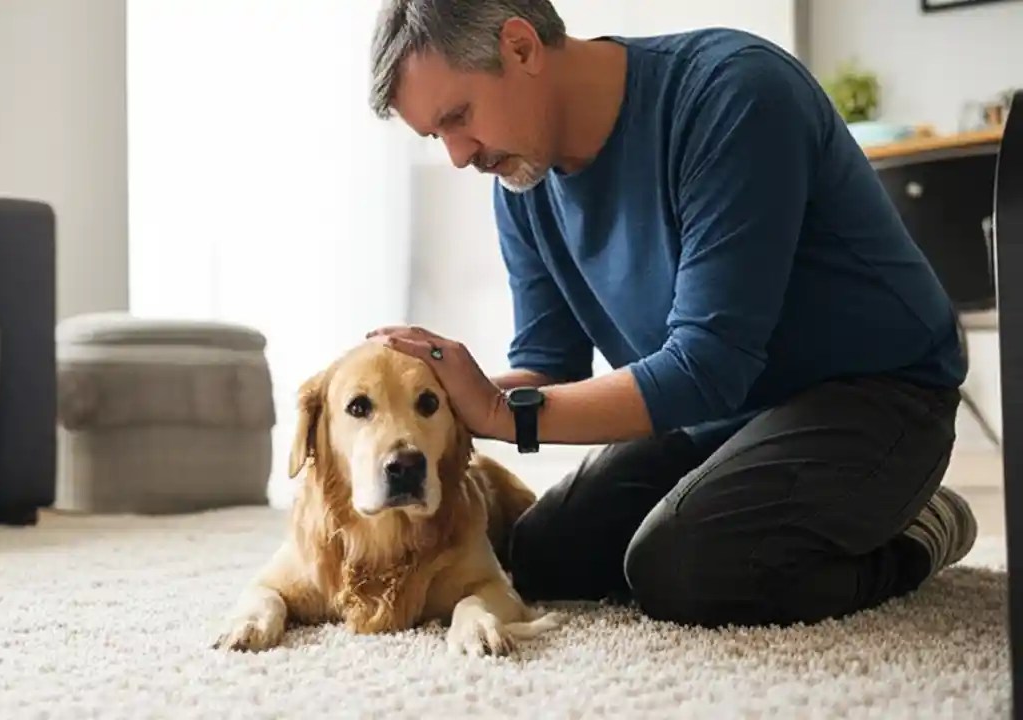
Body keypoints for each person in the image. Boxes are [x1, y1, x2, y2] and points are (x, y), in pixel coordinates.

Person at [363, 0, 978, 629]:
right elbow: (549, 364)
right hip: (718, 418)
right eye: (436, 136)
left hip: (880, 396)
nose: (460, 156)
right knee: (543, 555)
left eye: (458, 117)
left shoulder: (733, 93)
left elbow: (709, 366)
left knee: (686, 569)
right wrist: (437, 397)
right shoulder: (522, 178)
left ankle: (919, 530)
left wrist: (498, 414)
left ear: (521, 48)